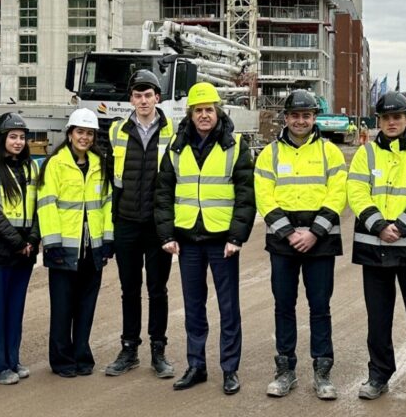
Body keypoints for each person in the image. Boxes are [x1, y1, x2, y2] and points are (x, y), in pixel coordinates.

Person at [155, 82, 256, 395]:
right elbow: (163, 193)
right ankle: (196, 365)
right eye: (198, 110)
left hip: (222, 240)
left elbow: (245, 195)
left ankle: (229, 369)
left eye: (208, 110)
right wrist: (167, 234)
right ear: (190, 114)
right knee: (193, 306)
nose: (203, 115)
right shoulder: (176, 146)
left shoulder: (235, 146)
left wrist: (237, 237)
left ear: (217, 112)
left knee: (229, 308)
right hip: (187, 241)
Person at [346, 91, 406, 405]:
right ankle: (379, 375)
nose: (392, 122)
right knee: (378, 318)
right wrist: (378, 225)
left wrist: (401, 226)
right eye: (386, 118)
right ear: (379, 121)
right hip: (376, 248)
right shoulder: (366, 153)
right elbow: (357, 191)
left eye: (397, 117)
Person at [254, 90, 346, 400]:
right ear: (286, 117)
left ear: (314, 118)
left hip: (320, 242)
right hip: (284, 242)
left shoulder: (330, 152)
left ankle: (322, 371)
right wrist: (290, 233)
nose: (300, 120)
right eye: (295, 115)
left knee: (320, 307)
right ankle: (285, 370)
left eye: (306, 115)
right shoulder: (270, 153)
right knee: (284, 306)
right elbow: (264, 196)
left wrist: (314, 232)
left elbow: (338, 194)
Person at [104, 70, 176, 379]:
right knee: (129, 289)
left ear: (157, 98)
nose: (143, 100)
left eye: (148, 95)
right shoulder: (116, 131)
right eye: (137, 95)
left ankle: (158, 350)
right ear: (131, 99)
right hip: (127, 222)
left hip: (158, 225)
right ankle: (129, 348)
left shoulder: (174, 132)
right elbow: (110, 177)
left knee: (157, 290)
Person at [38, 108, 113, 378]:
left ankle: (82, 356)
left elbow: (106, 204)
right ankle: (61, 360)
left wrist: (107, 240)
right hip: (63, 250)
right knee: (62, 308)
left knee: (86, 306)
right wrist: (52, 243)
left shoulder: (98, 164)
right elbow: (46, 205)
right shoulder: (55, 164)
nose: (84, 137)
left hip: (92, 250)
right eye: (80, 132)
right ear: (70, 134)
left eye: (89, 133)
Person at [0, 113, 40, 385]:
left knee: (15, 308)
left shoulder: (32, 168)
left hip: (25, 250)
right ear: (1, 138)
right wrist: (17, 242)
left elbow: (40, 207)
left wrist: (33, 240)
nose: (18, 142)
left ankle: (11, 359)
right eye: (12, 136)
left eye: (22, 137)